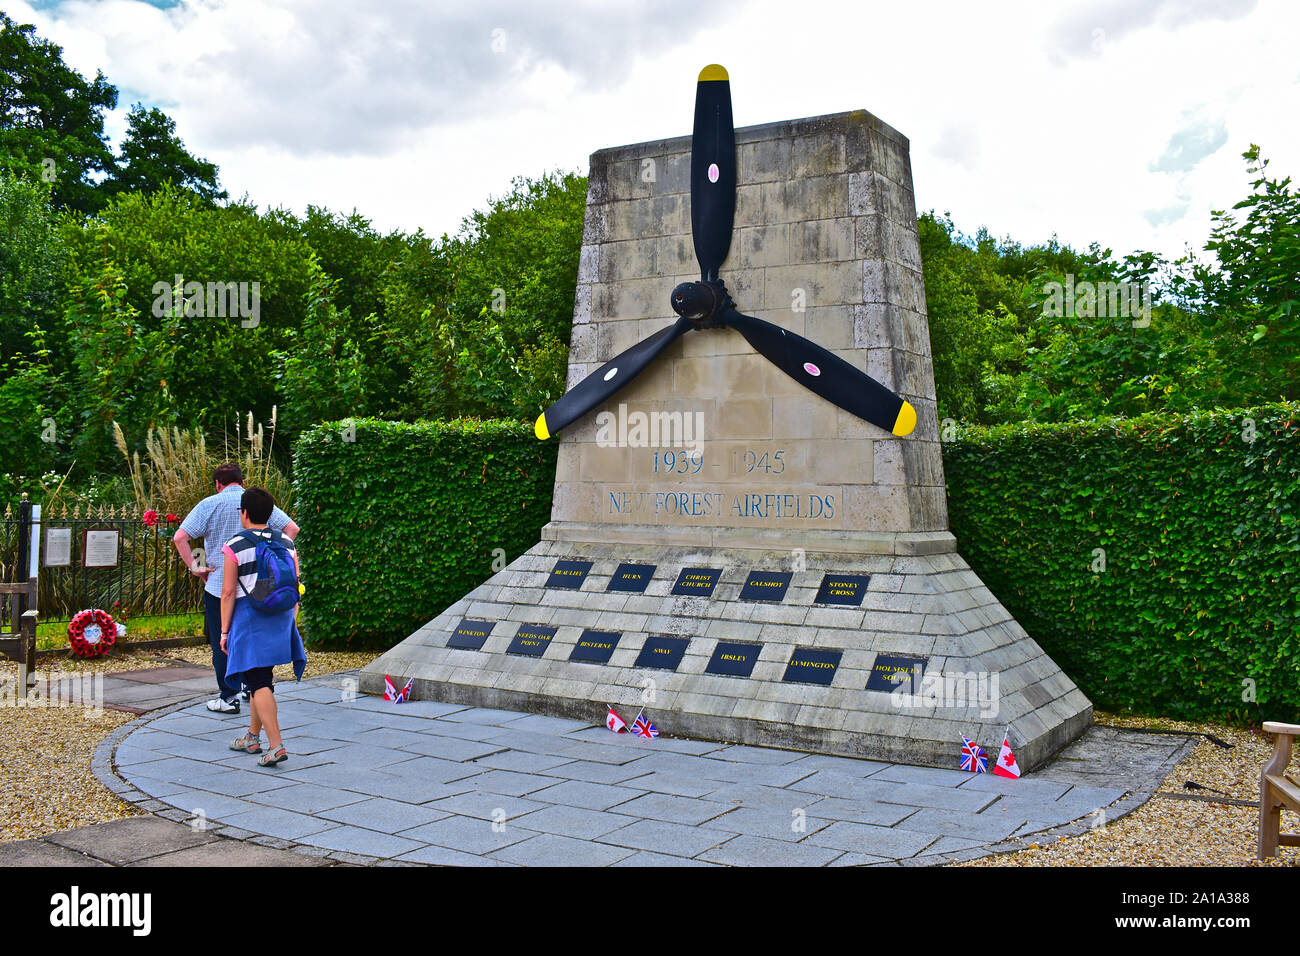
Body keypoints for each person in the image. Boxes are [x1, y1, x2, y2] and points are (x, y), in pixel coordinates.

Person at [173, 463, 298, 713]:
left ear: (218, 484)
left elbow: (180, 537)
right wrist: (267, 557)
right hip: (258, 586)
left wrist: (196, 566)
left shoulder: (209, 504)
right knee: (248, 639)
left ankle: (228, 696)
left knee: (223, 640)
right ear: (241, 481)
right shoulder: (255, 501)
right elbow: (291, 529)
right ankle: (249, 688)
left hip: (220, 586)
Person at [220, 487, 306, 767]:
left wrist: (224, 631)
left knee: (257, 681)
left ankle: (276, 745)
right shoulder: (286, 542)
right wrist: (291, 616)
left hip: (251, 617)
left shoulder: (235, 545)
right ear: (270, 514)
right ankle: (252, 736)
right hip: (280, 614)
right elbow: (294, 583)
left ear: (243, 513)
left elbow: (228, 593)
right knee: (262, 678)